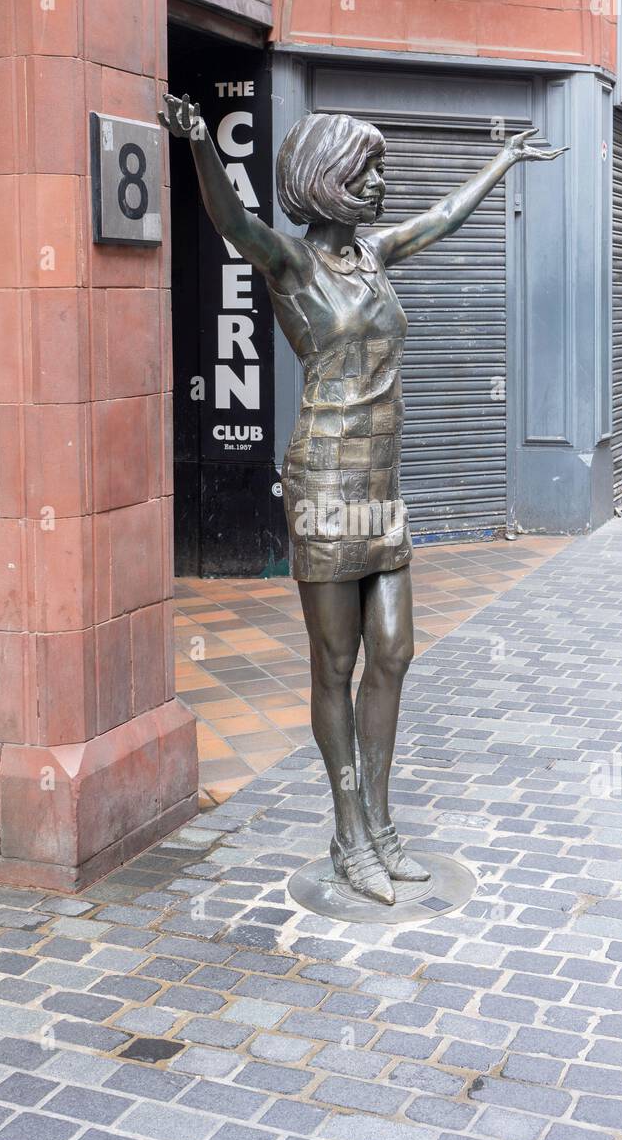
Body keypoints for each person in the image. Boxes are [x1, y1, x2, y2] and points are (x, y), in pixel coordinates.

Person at [160, 93, 565, 904]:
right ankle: (349, 833)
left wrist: (502, 161)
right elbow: (232, 223)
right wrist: (201, 146)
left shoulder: (374, 255)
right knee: (335, 662)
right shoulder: (290, 265)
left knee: (393, 651)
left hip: (381, 479)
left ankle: (380, 824)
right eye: (364, 170)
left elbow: (442, 218)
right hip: (324, 479)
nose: (380, 182)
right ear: (324, 181)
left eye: (378, 168)